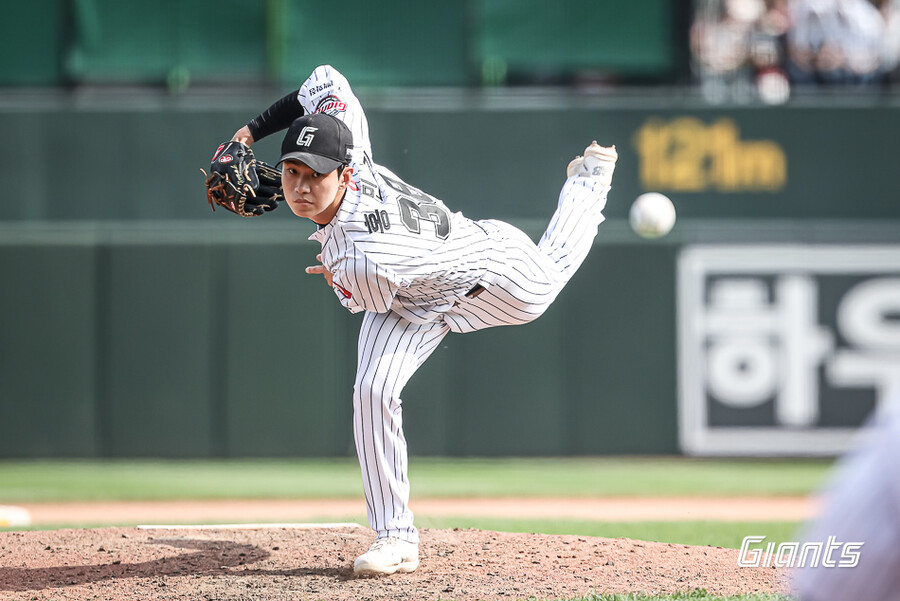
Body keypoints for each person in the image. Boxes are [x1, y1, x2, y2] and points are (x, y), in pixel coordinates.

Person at [228, 65, 616, 576]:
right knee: (373, 390)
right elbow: (325, 79)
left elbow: (364, 292)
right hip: (410, 299)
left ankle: (588, 184)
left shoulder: (359, 255)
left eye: (314, 175)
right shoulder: (353, 146)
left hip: (484, 271)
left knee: (549, 278)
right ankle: (396, 537)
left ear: (344, 175)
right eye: (292, 171)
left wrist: (334, 276)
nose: (300, 186)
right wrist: (249, 132)